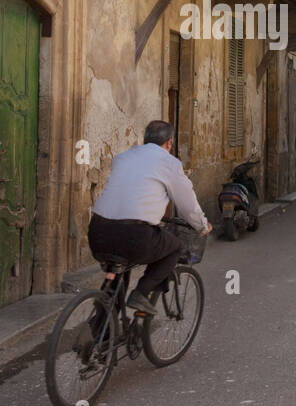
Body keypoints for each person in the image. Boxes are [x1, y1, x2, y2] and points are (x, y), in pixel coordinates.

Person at [88, 120, 211, 315]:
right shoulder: (170, 163)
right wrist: (202, 225)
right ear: (169, 143)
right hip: (135, 234)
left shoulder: (123, 157)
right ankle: (141, 293)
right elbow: (187, 202)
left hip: (97, 231)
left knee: (120, 268)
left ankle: (101, 332)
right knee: (174, 248)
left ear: (145, 140)